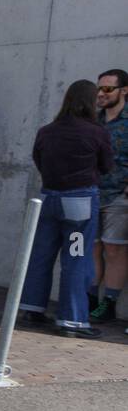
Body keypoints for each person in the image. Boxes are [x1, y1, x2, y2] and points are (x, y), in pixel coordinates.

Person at [16, 80, 112, 338]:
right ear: (91, 101)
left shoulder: (46, 131)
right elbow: (106, 166)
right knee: (77, 259)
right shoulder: (96, 132)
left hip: (47, 201)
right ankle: (72, 320)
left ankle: (31, 309)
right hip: (79, 205)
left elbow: (39, 160)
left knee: (41, 255)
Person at [90, 68, 128, 323]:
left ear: (124, 91)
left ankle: (109, 303)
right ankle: (90, 297)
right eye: (99, 89)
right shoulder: (94, 120)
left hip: (119, 196)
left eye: (107, 89)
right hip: (91, 192)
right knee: (91, 248)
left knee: (114, 250)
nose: (101, 94)